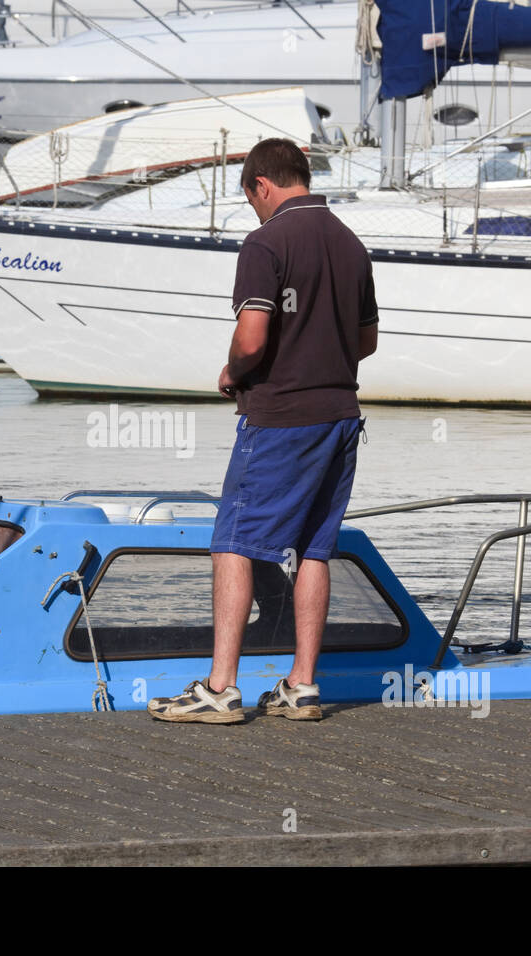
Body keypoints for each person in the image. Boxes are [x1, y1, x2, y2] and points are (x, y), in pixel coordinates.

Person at [148, 138, 379, 724]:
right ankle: (302, 684)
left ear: (261, 185)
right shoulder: (351, 245)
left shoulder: (266, 241)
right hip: (341, 416)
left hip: (281, 418)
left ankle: (220, 689)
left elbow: (252, 337)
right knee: (316, 547)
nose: (252, 207)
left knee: (232, 540)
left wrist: (235, 370)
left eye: (250, 197)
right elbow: (367, 342)